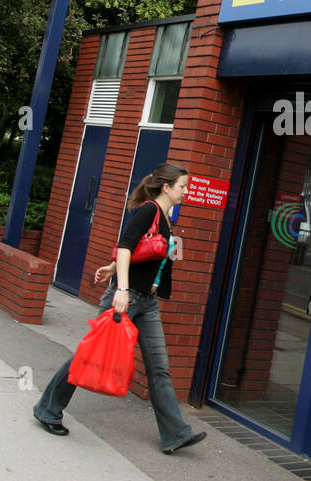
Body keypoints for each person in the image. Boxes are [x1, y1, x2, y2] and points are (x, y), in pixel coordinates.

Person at [33, 163, 207, 455]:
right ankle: (47, 409)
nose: (186, 192)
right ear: (167, 187)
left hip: (147, 303)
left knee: (159, 368)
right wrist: (122, 288)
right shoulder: (149, 210)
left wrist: (113, 267)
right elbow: (125, 245)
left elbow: (140, 250)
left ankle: (175, 433)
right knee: (88, 356)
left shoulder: (164, 216)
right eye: (183, 186)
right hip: (127, 298)